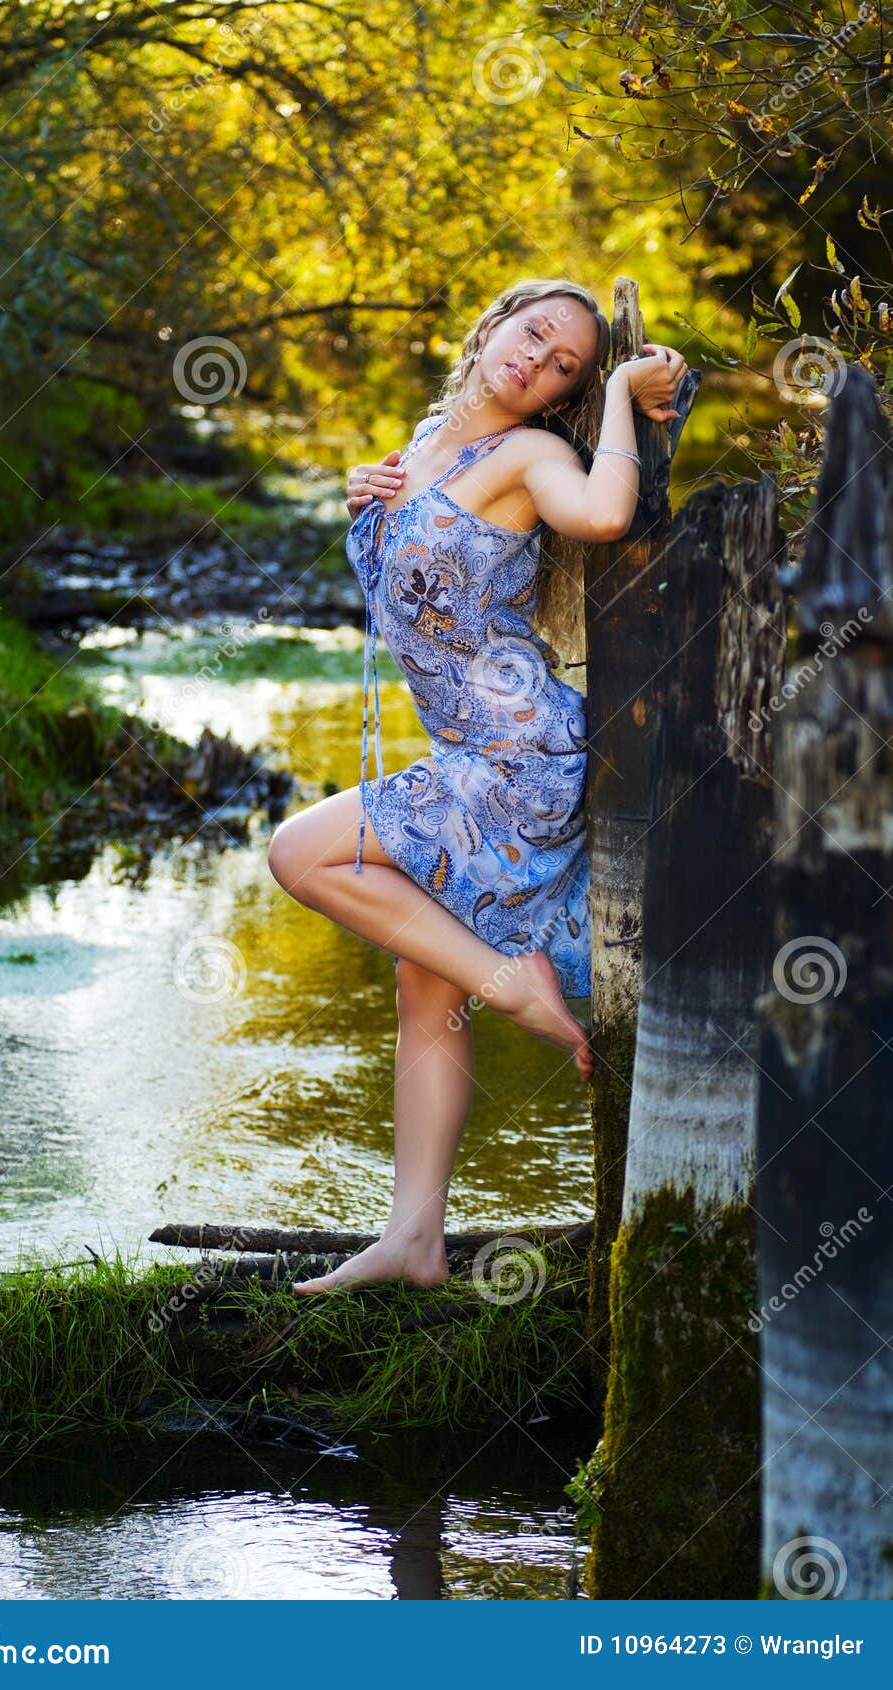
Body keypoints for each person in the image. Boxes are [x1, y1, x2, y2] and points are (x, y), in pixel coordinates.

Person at [266, 277, 687, 1294]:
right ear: (492, 321)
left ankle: (519, 987)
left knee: (297, 852)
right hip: (467, 750)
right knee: (424, 983)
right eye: (531, 333)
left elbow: (601, 511)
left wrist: (623, 398)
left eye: (563, 367)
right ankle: (414, 1238)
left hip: (516, 754)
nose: (536, 362)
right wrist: (362, 501)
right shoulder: (423, 439)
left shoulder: (532, 454)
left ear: (562, 396)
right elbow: (415, 577)